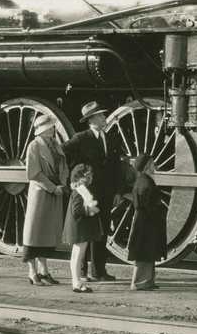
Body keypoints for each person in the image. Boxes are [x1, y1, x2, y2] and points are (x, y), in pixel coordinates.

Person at [65, 101, 126, 281]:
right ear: (91, 119)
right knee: (86, 232)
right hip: (88, 194)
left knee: (102, 231)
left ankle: (99, 271)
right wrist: (75, 177)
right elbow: (63, 152)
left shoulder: (111, 138)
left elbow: (116, 167)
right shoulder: (81, 138)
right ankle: (82, 272)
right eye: (100, 115)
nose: (104, 118)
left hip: (107, 193)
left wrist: (118, 191)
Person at [21, 113, 68, 286]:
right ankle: (32, 272)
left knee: (47, 234)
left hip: (54, 192)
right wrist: (53, 187)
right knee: (34, 233)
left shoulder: (56, 144)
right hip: (41, 193)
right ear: (44, 130)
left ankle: (44, 271)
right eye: (51, 127)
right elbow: (33, 173)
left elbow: (64, 165)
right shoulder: (34, 146)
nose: (53, 129)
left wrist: (62, 183)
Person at [126, 153, 167, 291]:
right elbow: (146, 203)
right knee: (144, 251)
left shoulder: (143, 180)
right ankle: (139, 282)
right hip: (146, 221)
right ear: (147, 166)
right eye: (152, 163)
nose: (154, 166)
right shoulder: (146, 182)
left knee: (147, 250)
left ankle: (147, 280)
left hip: (146, 220)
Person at [63, 163, 102, 293]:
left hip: (79, 227)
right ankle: (76, 283)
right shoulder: (81, 190)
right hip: (80, 228)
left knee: (76, 255)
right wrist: (90, 210)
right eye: (88, 176)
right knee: (78, 255)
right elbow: (77, 210)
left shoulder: (79, 189)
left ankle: (76, 281)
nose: (91, 178)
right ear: (80, 177)